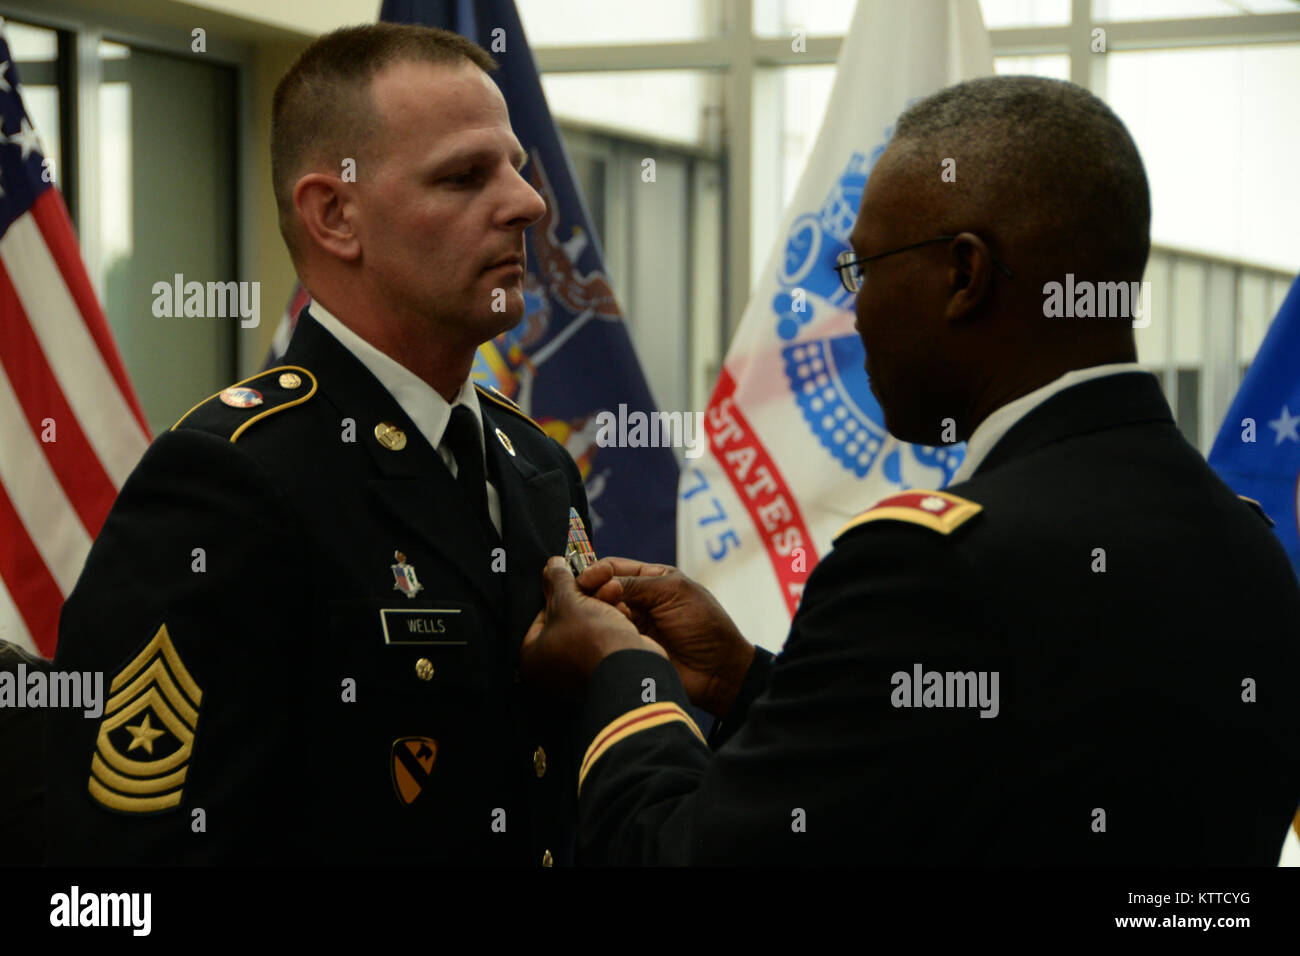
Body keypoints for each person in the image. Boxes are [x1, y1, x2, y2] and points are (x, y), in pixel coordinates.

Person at [519, 75, 1300, 865]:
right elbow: (969, 761)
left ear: (964, 276)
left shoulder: (931, 567)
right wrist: (743, 678)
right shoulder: (1250, 547)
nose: (855, 310)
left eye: (863, 269)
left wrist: (623, 675)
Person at [45, 23, 588, 866]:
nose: (527, 202)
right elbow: (126, 865)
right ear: (335, 214)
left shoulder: (537, 463)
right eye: (465, 175)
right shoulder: (231, 482)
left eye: (515, 166)